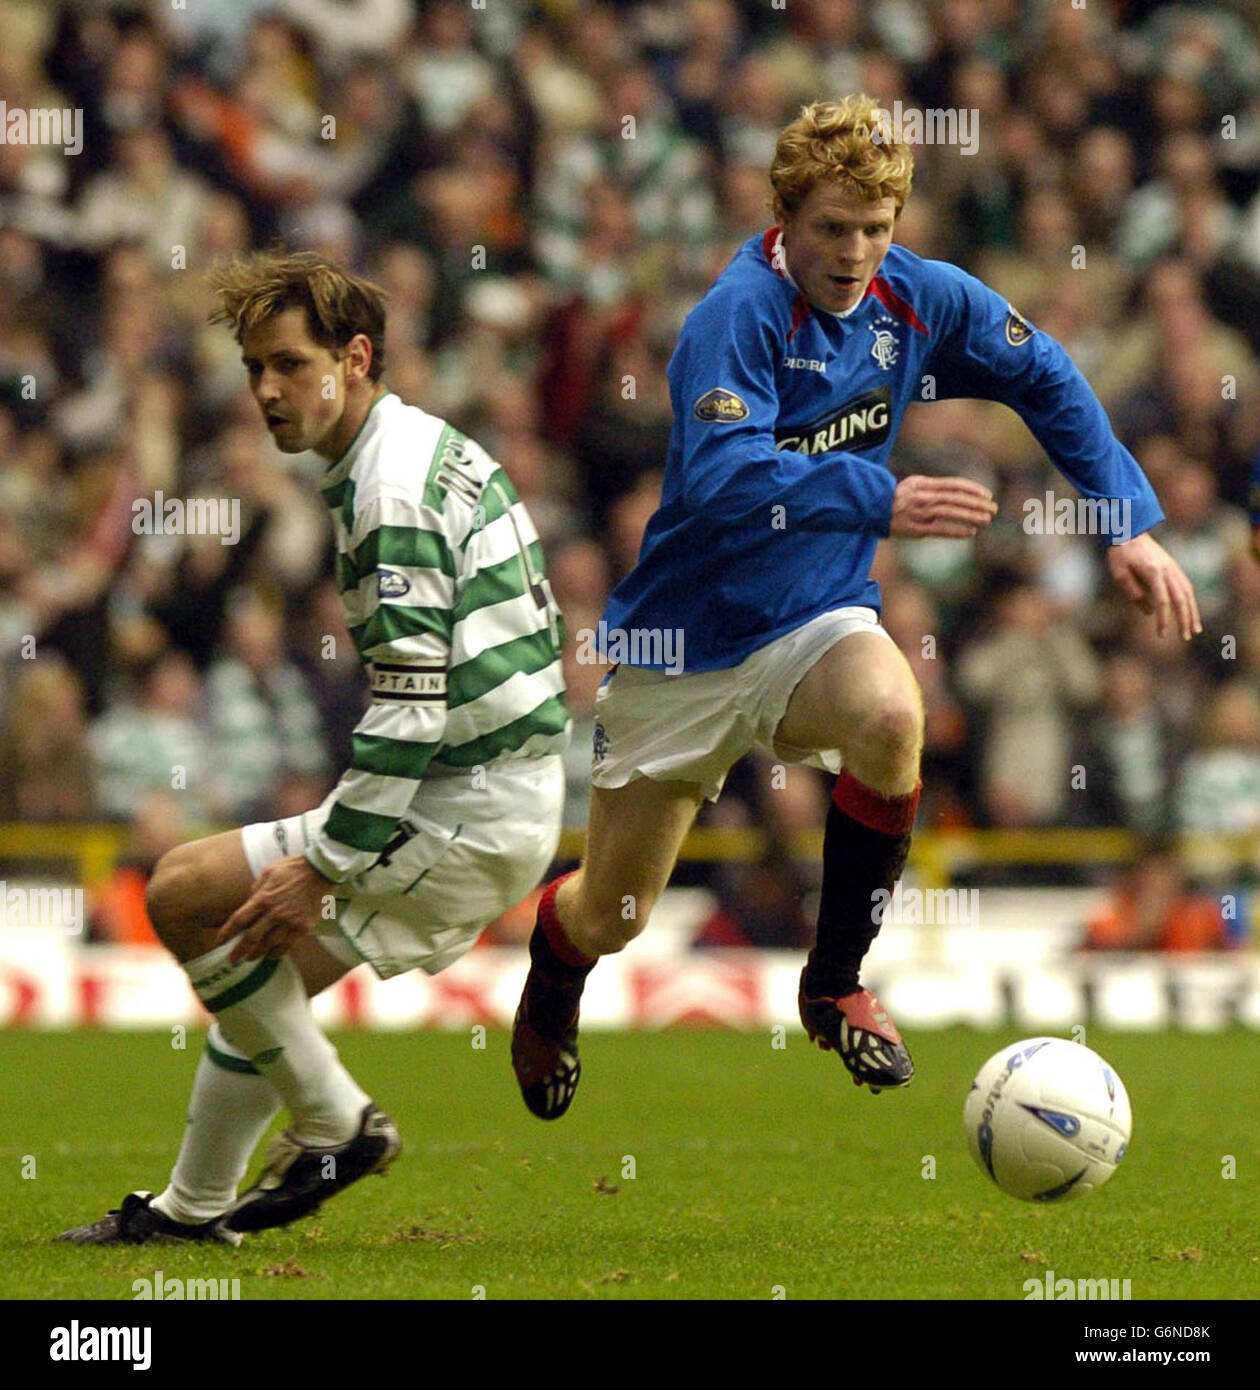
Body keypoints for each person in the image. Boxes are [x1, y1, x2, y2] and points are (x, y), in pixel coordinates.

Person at [510, 96, 1201, 1120]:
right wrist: (883, 495)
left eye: (877, 229)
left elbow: (1045, 373)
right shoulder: (733, 318)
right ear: (785, 216)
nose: (856, 252)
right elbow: (723, 479)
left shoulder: (917, 298)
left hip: (815, 622)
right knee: (613, 912)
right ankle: (552, 978)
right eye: (834, 228)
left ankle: (833, 980)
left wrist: (1127, 520)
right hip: (684, 647)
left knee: (890, 715)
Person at [60, 252, 569, 1245]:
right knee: (264, 987)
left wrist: (324, 865)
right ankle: (190, 1211)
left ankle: (341, 1123)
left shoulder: (385, 491)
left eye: (290, 364)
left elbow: (415, 706)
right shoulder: (413, 447)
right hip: (496, 795)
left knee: (181, 892)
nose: (266, 390)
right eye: (254, 368)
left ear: (356, 357)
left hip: (464, 800)